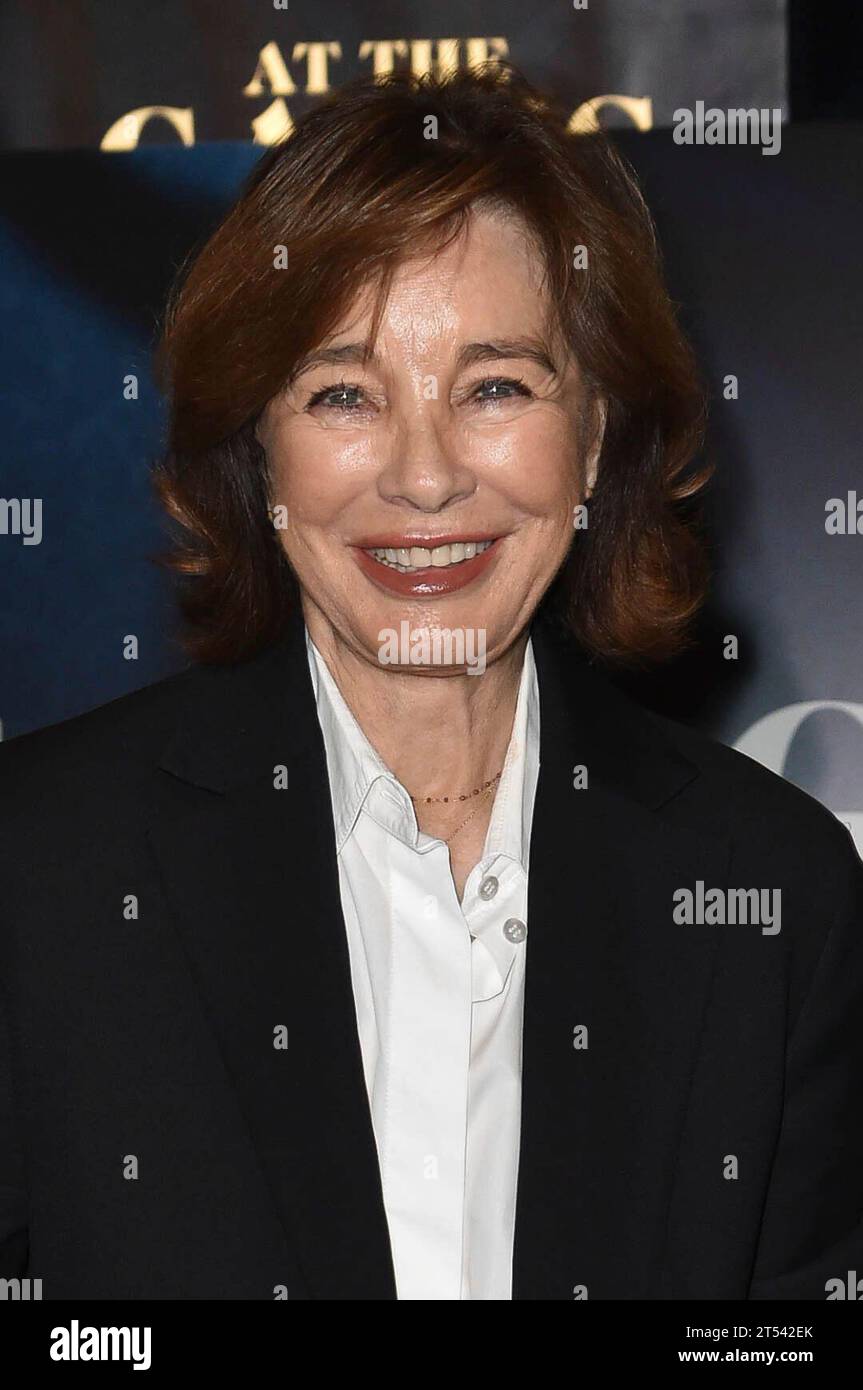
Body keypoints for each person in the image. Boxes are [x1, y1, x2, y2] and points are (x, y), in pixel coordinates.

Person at [1, 66, 861, 1301]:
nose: (421, 476)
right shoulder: (42, 868)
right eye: (344, 392)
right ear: (259, 444)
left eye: (495, 386)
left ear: (599, 432)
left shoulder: (768, 891)